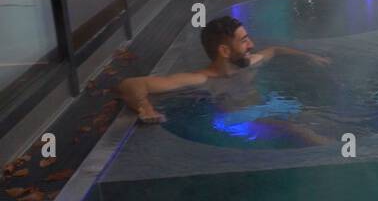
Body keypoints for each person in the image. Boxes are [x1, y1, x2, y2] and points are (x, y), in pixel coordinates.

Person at [118, 16, 330, 125]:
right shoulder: (200, 79)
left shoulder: (250, 63)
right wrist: (145, 108)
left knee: (312, 114)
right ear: (225, 51)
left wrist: (309, 57)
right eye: (244, 41)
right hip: (237, 121)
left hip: (267, 108)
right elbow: (131, 84)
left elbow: (274, 50)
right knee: (297, 129)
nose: (252, 45)